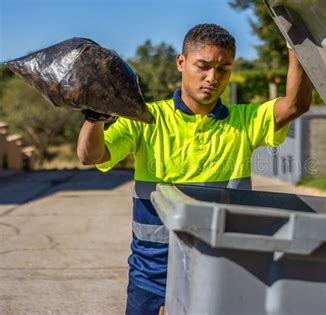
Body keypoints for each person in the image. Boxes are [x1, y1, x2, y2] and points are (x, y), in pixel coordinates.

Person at [77, 23, 312, 315]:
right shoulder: (146, 118)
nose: (213, 78)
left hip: (221, 270)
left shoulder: (245, 120)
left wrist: (295, 45)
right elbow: (91, 156)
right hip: (152, 275)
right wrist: (94, 118)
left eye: (224, 69)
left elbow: (295, 105)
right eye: (203, 66)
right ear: (181, 62)